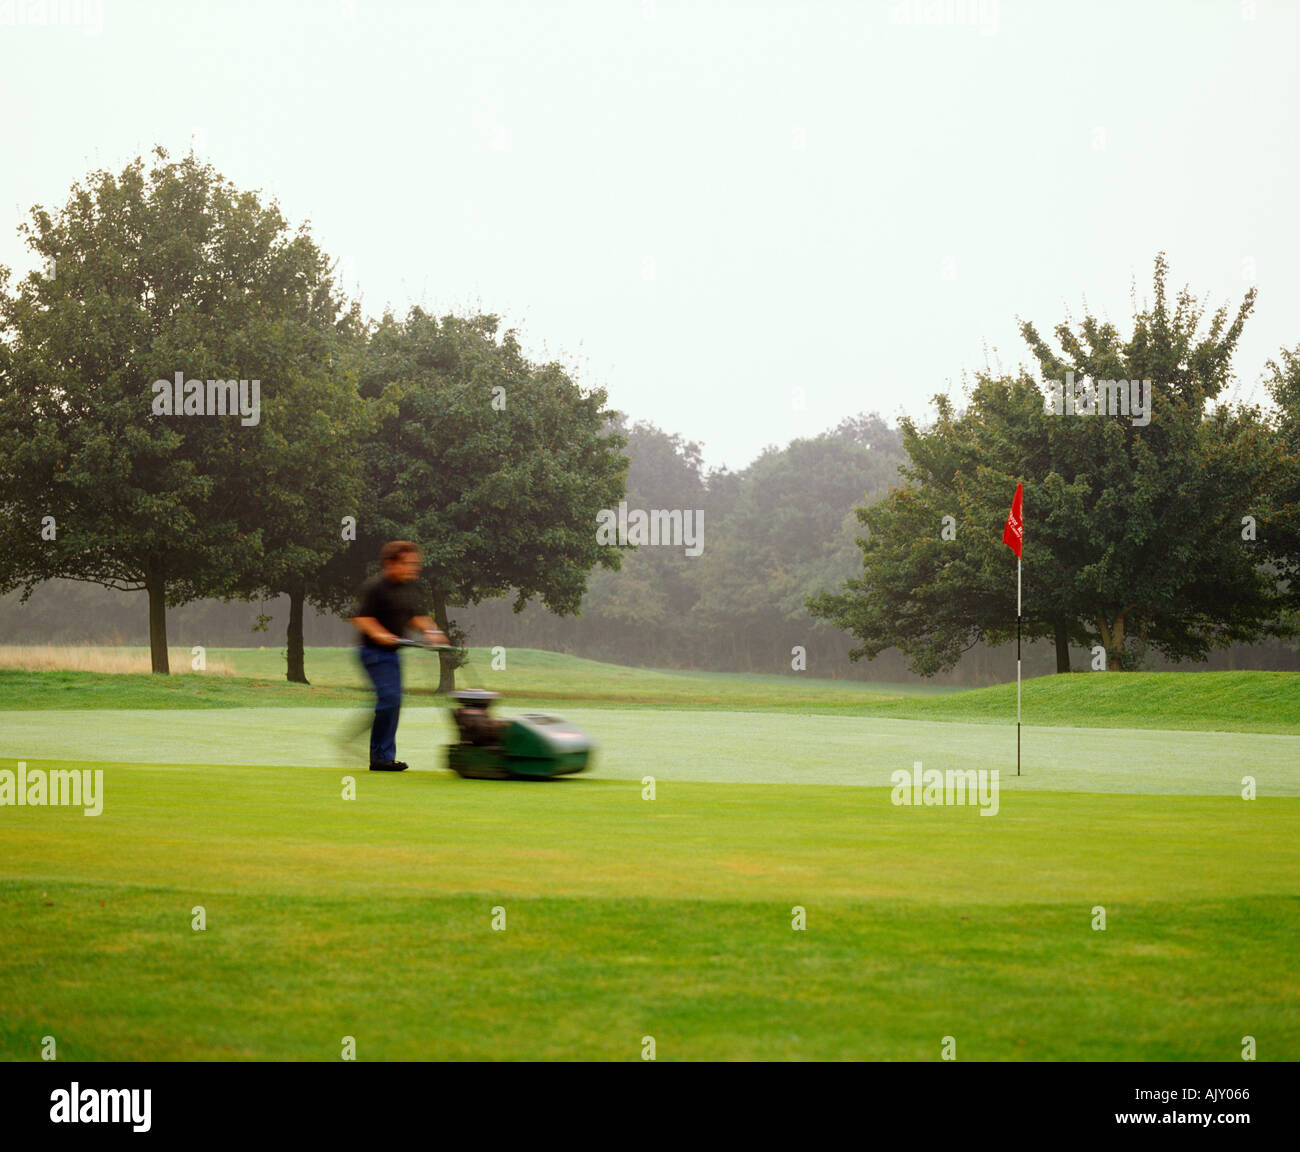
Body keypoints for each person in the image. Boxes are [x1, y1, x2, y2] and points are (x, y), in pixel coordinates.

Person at [350, 540, 449, 771]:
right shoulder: (375, 587)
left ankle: (382, 756)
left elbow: (416, 617)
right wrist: (382, 634)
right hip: (372, 653)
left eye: (415, 564)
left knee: (392, 702)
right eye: (409, 563)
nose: (414, 568)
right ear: (391, 563)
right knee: (390, 699)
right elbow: (361, 618)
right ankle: (380, 757)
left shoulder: (410, 587)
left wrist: (433, 633)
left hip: (392, 655)